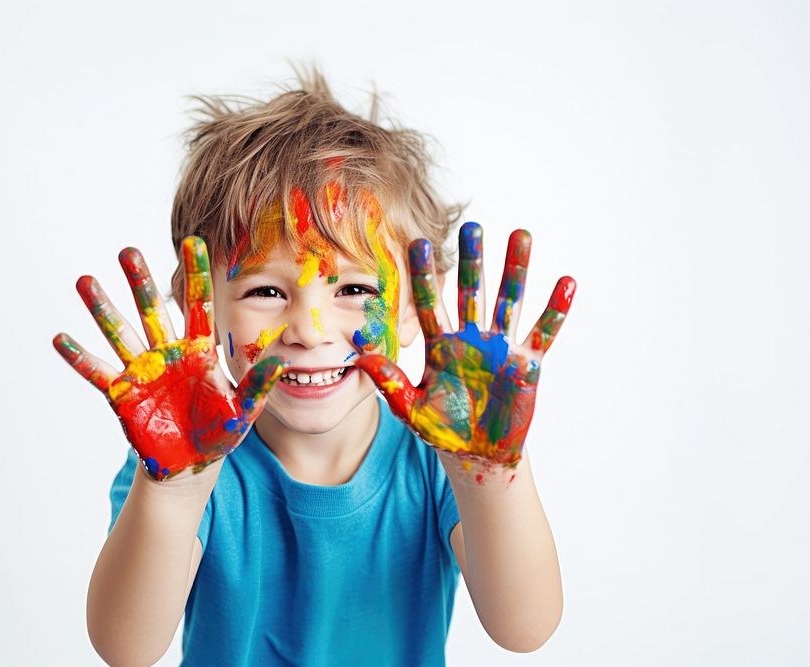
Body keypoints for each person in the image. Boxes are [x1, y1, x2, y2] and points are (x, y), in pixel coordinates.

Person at [53, 67, 576, 666]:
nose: (308, 329)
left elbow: (525, 627)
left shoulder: (438, 458)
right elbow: (126, 648)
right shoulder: (181, 457)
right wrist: (177, 493)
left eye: (354, 287)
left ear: (415, 306)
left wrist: (490, 472)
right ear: (201, 301)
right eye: (266, 293)